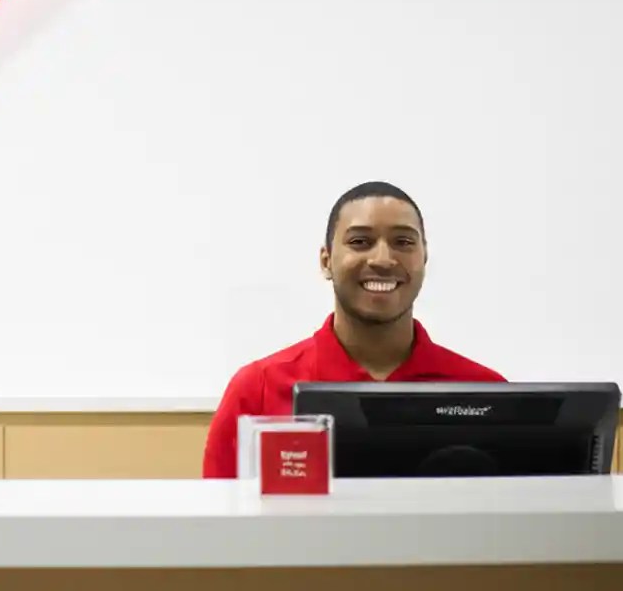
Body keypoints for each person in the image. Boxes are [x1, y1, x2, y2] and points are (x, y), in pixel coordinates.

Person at [202, 181, 505, 478]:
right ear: (326, 261)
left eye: (403, 242)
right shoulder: (257, 390)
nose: (383, 259)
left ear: (423, 258)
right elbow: (222, 525)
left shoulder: (488, 393)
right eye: (360, 242)